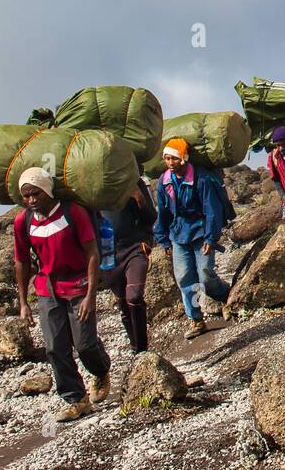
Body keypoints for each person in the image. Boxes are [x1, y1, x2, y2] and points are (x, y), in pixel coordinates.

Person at [12, 167, 110, 423]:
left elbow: (92, 253)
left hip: (78, 286)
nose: (32, 200)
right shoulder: (24, 222)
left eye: (36, 194)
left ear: (48, 190)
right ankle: (76, 399)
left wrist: (90, 293)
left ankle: (101, 370)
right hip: (47, 289)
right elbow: (21, 262)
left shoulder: (73, 212)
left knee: (85, 344)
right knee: (55, 347)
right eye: (26, 196)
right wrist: (23, 303)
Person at [153, 138, 232, 341]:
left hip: (200, 232)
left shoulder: (201, 178)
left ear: (184, 158)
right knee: (185, 279)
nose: (170, 162)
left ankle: (226, 297)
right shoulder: (164, 181)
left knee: (205, 274)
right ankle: (196, 319)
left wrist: (210, 237)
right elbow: (162, 212)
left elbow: (211, 209)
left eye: (174, 158)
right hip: (178, 235)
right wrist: (162, 239)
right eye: (167, 158)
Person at [99, 179, 157, 353]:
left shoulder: (132, 180)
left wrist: (139, 198)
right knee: (123, 304)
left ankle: (142, 349)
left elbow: (151, 218)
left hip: (134, 247)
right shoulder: (90, 189)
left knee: (134, 297)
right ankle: (135, 348)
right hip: (108, 252)